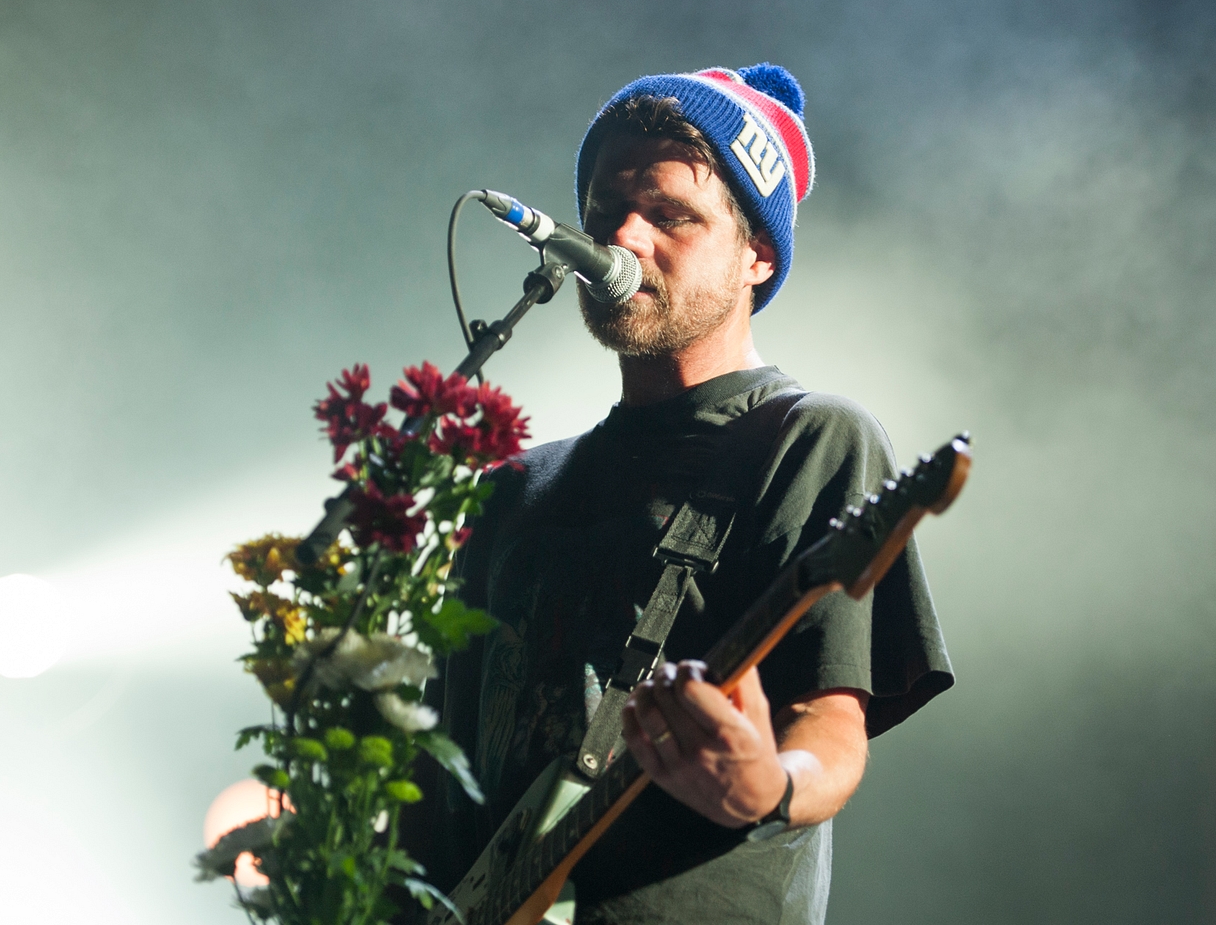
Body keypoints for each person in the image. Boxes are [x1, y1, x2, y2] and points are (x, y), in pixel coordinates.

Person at [402, 64, 954, 925]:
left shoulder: (809, 439)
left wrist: (770, 786)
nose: (622, 237)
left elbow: (830, 725)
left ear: (756, 254)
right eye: (604, 212)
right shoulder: (508, 491)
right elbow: (438, 767)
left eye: (670, 215)